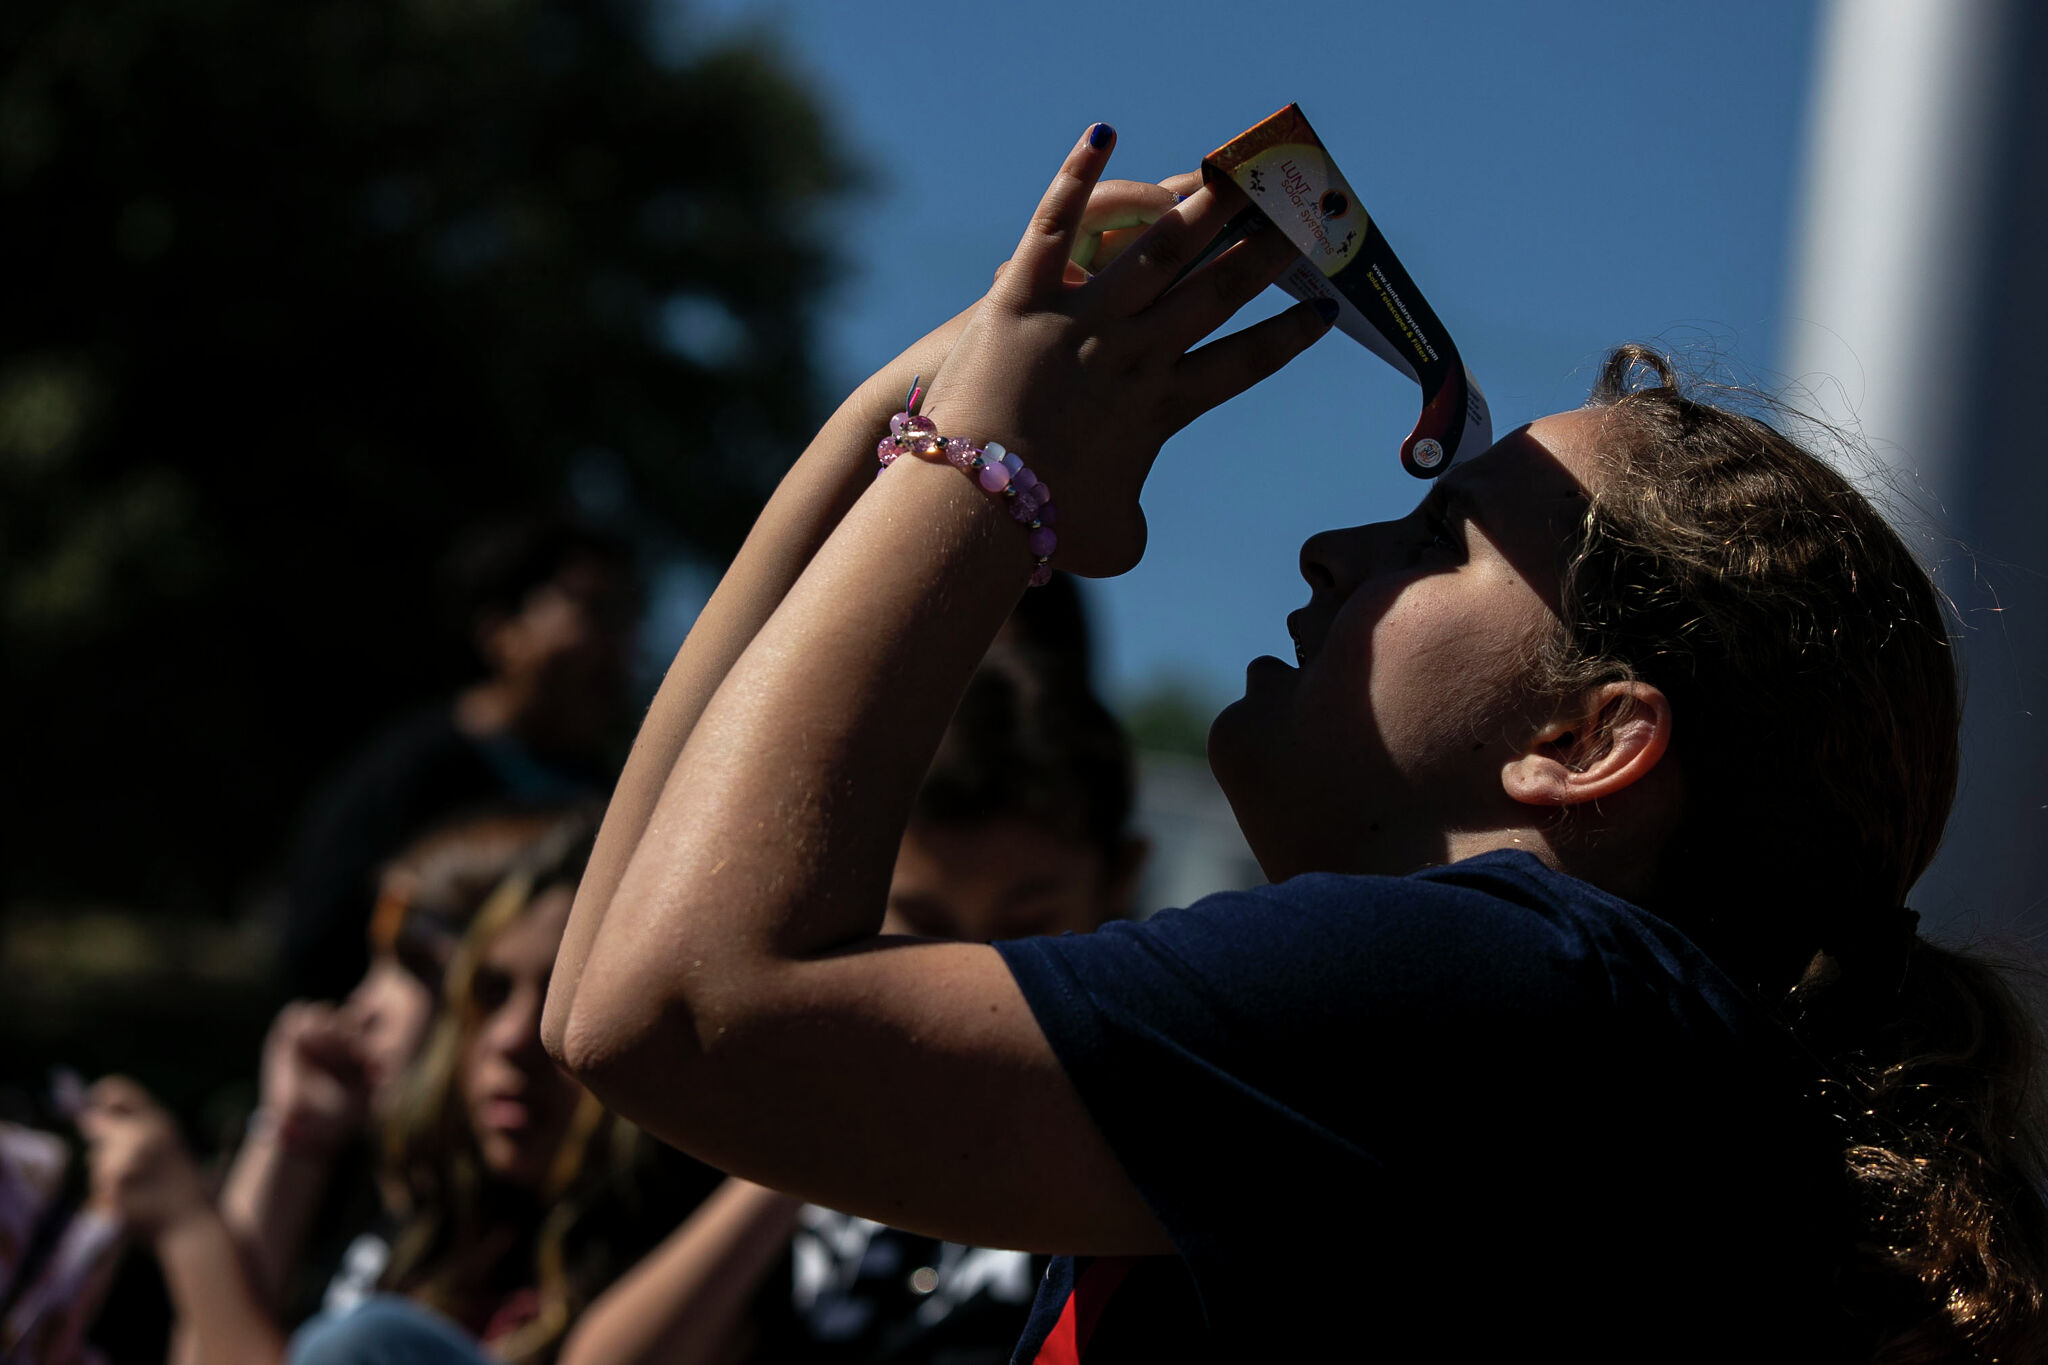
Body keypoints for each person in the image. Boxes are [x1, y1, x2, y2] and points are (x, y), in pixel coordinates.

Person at [541, 124, 2048, 1361]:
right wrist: (910, 417)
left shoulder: (1521, 992)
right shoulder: (1555, 1026)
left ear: (1590, 739)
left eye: (1435, 542)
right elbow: (606, 991)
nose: (1332, 549)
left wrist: (987, 477)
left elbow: (674, 1010)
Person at [81, 820, 718, 1365]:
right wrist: (291, 1136)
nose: (362, 1008)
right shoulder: (425, 1198)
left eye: (417, 969)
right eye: (492, 991)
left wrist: (188, 1230)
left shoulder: (661, 1232)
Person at [277, 516, 637, 1002]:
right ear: (499, 633)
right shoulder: (406, 775)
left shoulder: (615, 797)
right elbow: (316, 949)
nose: (614, 643)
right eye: (591, 609)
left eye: (624, 616)